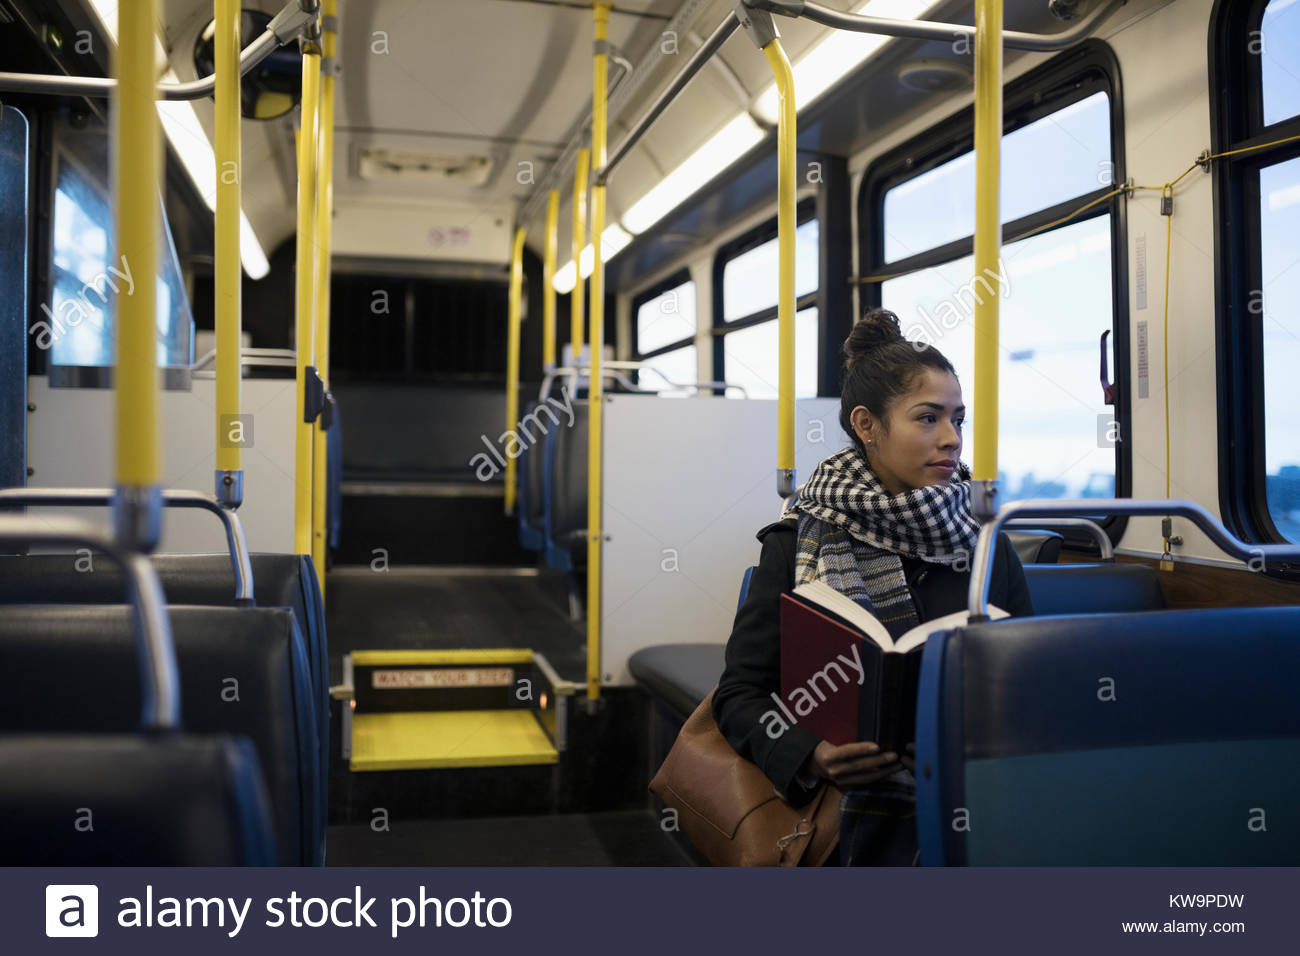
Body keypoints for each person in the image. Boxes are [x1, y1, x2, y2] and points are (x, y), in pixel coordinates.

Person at [712, 308, 1035, 866]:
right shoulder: (795, 543)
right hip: (839, 805)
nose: (952, 439)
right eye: (928, 419)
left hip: (971, 789)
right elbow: (739, 696)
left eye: (960, 420)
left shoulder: (986, 543)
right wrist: (811, 754)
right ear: (867, 425)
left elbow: (1031, 678)